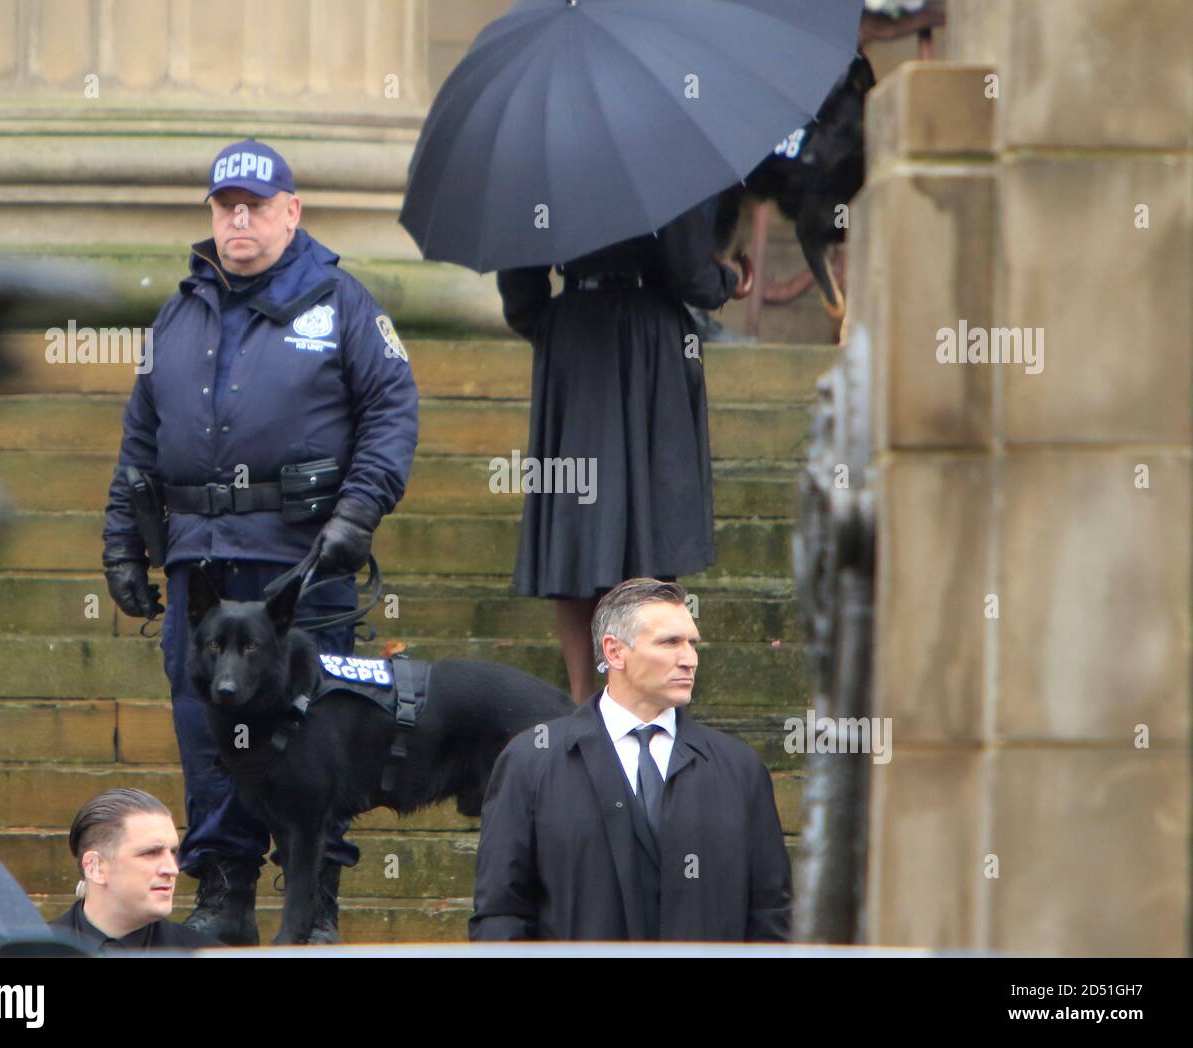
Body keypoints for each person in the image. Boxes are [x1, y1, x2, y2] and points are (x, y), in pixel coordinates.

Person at [101, 139, 419, 945]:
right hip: (200, 558)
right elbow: (141, 438)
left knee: (318, 736)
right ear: (213, 214)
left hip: (302, 563)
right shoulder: (180, 311)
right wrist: (122, 544)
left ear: (291, 211)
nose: (238, 217)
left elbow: (391, 413)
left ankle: (314, 910)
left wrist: (358, 513)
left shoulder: (342, 303)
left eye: (255, 203)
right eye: (225, 205)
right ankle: (226, 890)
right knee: (208, 728)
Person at [496, 197, 753, 702]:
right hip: (649, 337)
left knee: (572, 528)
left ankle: (580, 702)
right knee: (648, 530)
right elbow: (688, 271)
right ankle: (642, 701)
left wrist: (554, 325)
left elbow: (519, 281)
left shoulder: (545, 152)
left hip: (573, 334)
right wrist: (726, 281)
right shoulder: (665, 139)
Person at [470, 578, 791, 942]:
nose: (689, 659)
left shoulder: (739, 770)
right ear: (614, 652)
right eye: (670, 642)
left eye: (692, 643)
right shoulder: (531, 761)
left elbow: (771, 914)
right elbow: (501, 914)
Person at [50, 788, 220, 951]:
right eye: (151, 853)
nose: (172, 869)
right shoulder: (33, 952)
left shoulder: (209, 954)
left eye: (173, 852)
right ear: (95, 867)